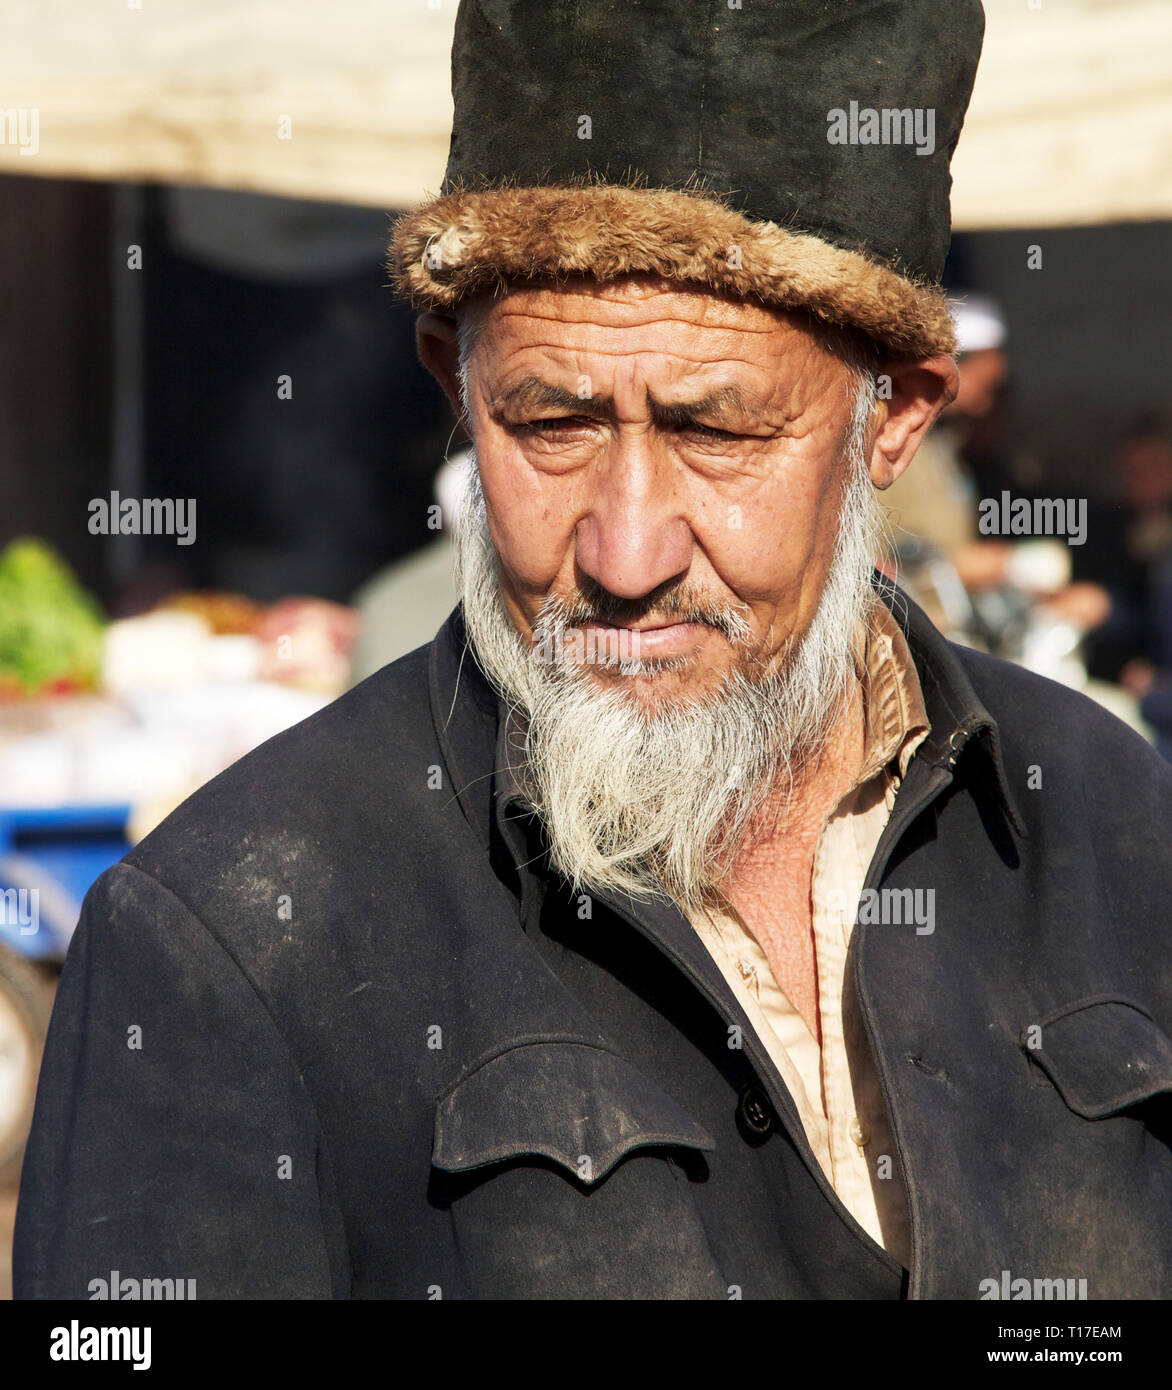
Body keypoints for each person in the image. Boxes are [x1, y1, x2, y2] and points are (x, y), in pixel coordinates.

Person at [15, 0, 1172, 1300]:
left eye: (716, 433)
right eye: (552, 422)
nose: (624, 556)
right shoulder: (226, 939)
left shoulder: (1112, 822)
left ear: (893, 417)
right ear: (455, 379)